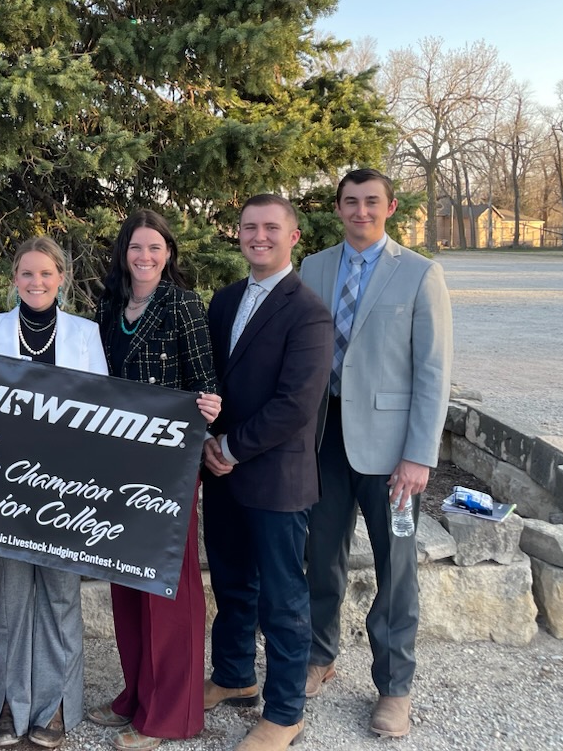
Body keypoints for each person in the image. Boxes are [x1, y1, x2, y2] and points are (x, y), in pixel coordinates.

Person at [300, 168, 453, 740]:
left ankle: (394, 689)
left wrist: (419, 455)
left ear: (389, 207)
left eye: (371, 202)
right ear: (337, 208)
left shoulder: (418, 274)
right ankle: (320, 656)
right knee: (322, 555)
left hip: (393, 452)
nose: (360, 211)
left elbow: (433, 371)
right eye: (350, 202)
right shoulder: (313, 269)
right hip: (323, 438)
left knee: (397, 566)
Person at [201, 195, 332, 751]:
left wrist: (231, 445)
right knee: (232, 584)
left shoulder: (308, 310)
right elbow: (208, 376)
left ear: (293, 237)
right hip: (221, 471)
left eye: (271, 228)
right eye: (250, 227)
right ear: (238, 233)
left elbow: (296, 404)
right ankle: (234, 676)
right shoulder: (225, 299)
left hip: (275, 476)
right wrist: (207, 439)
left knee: (281, 598)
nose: (259, 236)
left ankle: (284, 712)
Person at [0, 237, 110, 750]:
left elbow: (99, 409)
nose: (36, 283)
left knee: (59, 596)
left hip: (66, 485)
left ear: (62, 278)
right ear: (14, 278)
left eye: (46, 274)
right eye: (27, 274)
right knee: (7, 599)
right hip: (6, 483)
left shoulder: (85, 333)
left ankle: (54, 708)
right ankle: (5, 704)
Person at [89, 210, 221, 751]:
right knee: (126, 578)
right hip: (116, 462)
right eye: (136, 248)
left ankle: (171, 713)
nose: (145, 257)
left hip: (168, 465)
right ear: (124, 253)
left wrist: (210, 410)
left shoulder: (183, 305)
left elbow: (204, 383)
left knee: (168, 584)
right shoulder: (108, 308)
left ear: (169, 254)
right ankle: (137, 693)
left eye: (155, 248)